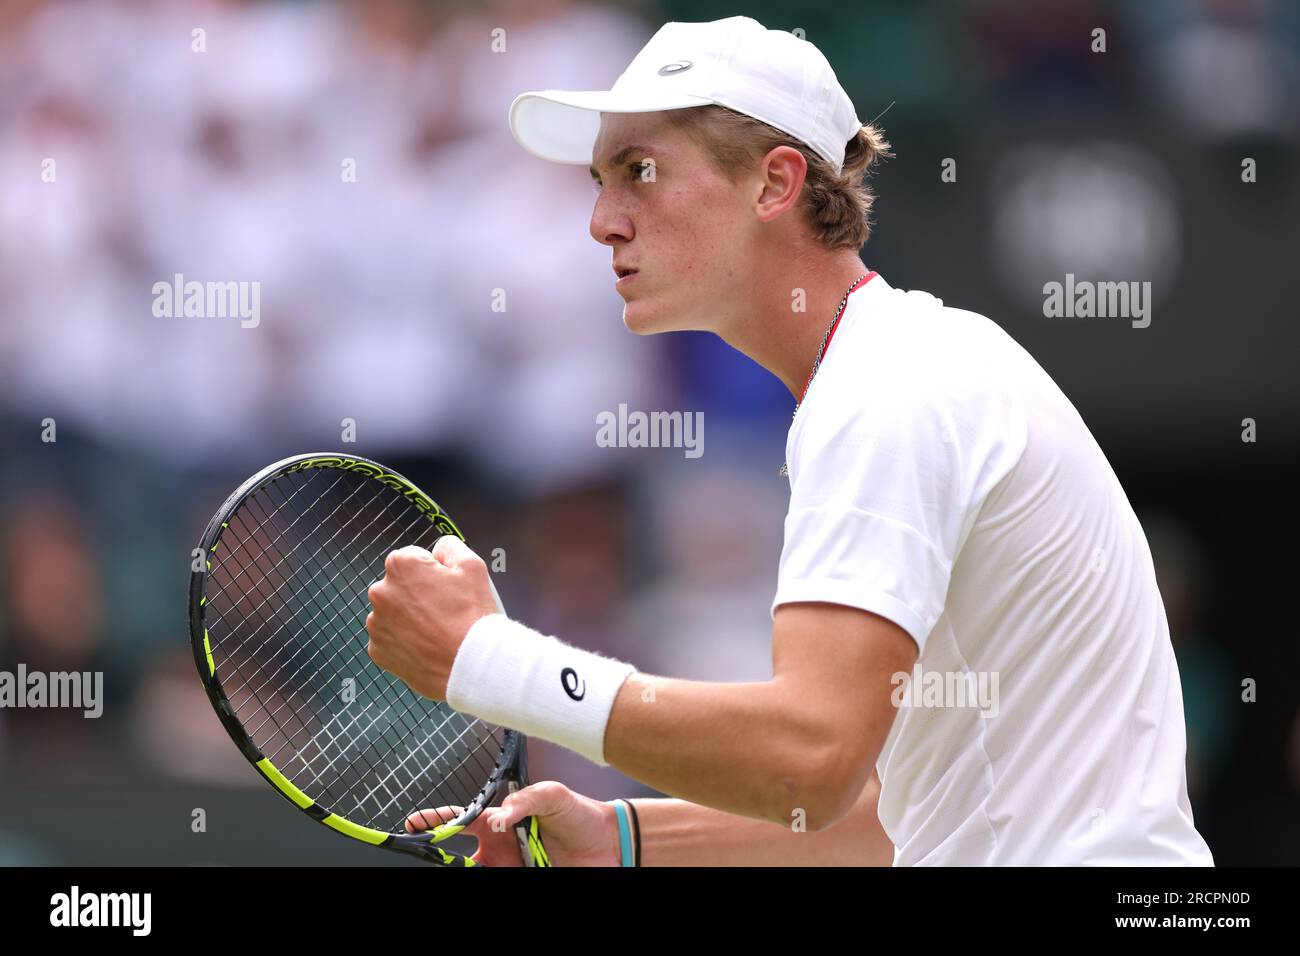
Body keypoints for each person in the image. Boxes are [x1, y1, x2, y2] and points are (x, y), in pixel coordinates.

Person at [365, 16, 1214, 866]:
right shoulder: (901, 365)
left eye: (640, 171)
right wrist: (623, 838)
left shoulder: (889, 387)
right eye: (599, 179)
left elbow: (807, 763)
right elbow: (896, 808)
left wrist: (490, 661)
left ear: (774, 184)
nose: (601, 220)